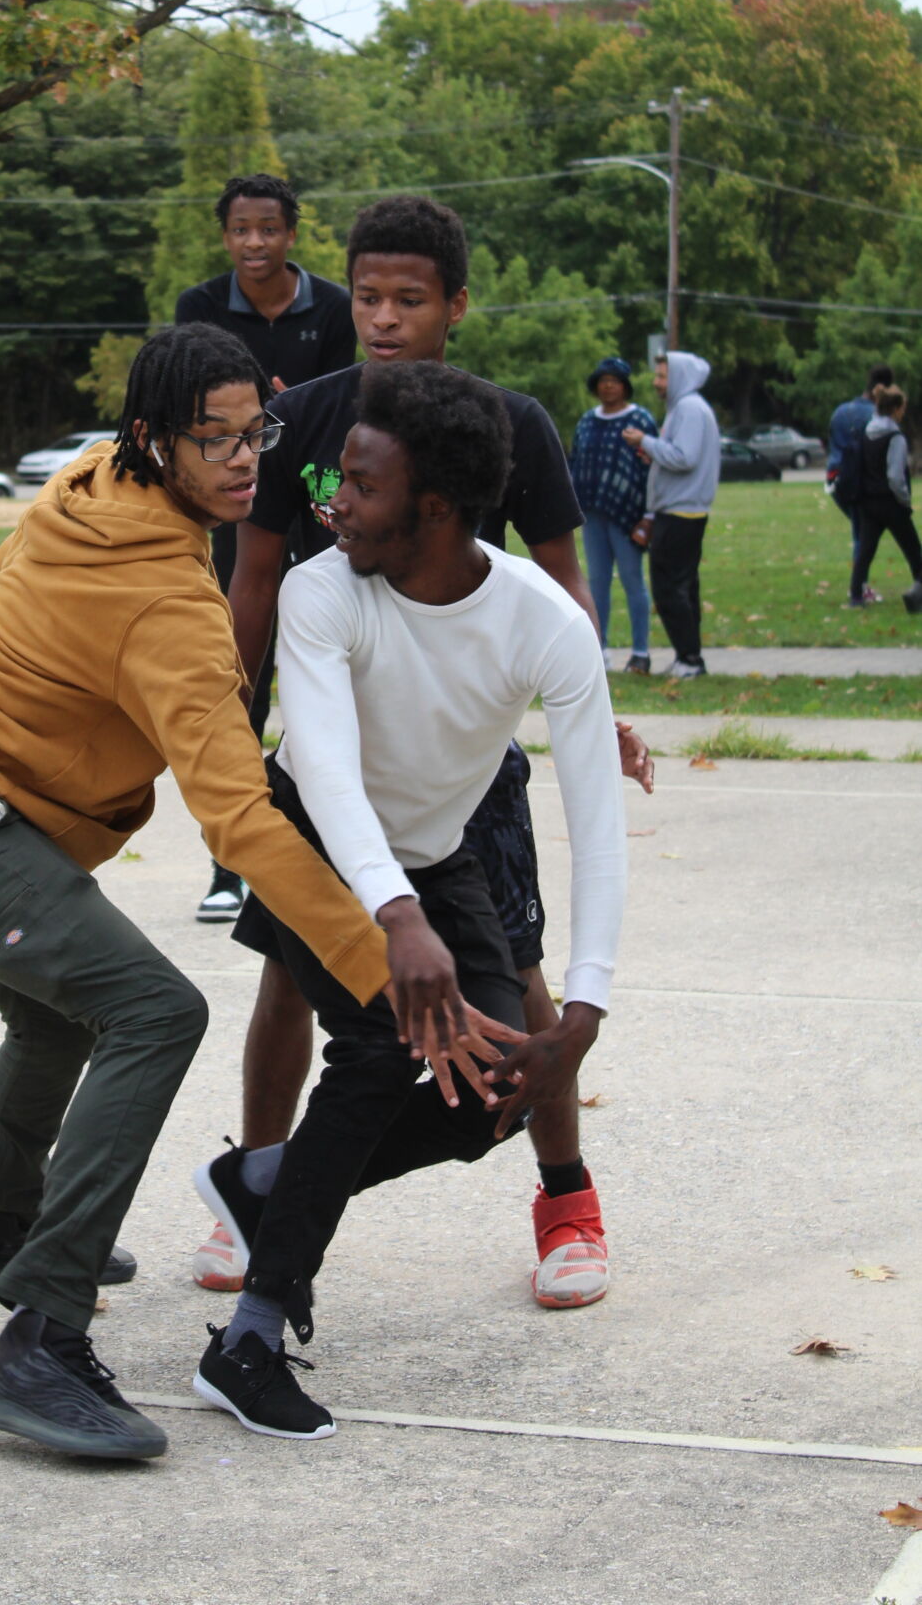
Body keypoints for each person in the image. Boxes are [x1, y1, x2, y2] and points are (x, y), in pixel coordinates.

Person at [0, 323, 487, 1463]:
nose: (245, 459)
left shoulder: (91, 480)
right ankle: (39, 1332)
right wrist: (383, 960)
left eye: (256, 431)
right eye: (214, 439)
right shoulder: (172, 611)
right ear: (154, 438)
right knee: (153, 1009)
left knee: (54, 1011)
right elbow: (241, 821)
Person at [192, 194, 652, 1305]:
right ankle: (256, 1198)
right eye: (371, 297)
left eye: (411, 299)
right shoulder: (303, 416)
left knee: (520, 978)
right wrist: (228, 733)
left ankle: (565, 1198)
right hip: (332, 739)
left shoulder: (508, 422)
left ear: (455, 304)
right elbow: (255, 578)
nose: (385, 319)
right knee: (292, 982)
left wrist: (589, 700)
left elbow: (557, 587)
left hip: (462, 750)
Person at [175, 173, 357, 924]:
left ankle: (333, 848)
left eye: (268, 228)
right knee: (237, 683)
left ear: (291, 233)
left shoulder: (337, 310)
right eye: (241, 229)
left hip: (318, 505)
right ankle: (230, 866)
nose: (255, 242)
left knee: (326, 688)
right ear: (226, 235)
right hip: (239, 503)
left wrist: (288, 408)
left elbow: (349, 403)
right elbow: (189, 400)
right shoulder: (201, 307)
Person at [623, 352, 720, 680]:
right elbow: (678, 458)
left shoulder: (690, 408)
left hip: (680, 513)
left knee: (670, 589)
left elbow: (685, 457)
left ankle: (690, 660)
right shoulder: (686, 408)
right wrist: (655, 454)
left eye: (663, 376)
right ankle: (688, 656)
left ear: (680, 376)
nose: (657, 382)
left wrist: (646, 441)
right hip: (681, 510)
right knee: (683, 587)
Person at [570, 356, 658, 674]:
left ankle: (641, 652)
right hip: (592, 513)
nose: (608, 386)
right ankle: (600, 648)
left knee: (634, 581)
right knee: (597, 582)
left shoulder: (640, 421)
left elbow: (651, 469)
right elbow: (576, 462)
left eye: (614, 381)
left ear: (625, 386)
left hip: (628, 515)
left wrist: (648, 514)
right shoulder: (587, 421)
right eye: (603, 381)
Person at [849, 386, 922, 612]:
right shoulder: (895, 437)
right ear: (896, 409)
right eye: (902, 409)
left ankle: (856, 596)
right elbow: (895, 475)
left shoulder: (867, 432)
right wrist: (905, 500)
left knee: (865, 551)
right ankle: (917, 593)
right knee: (913, 550)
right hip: (890, 502)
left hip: (868, 502)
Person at [828, 364, 894, 603]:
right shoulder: (875, 417)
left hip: (836, 481)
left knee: (864, 532)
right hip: (861, 483)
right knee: (863, 536)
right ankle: (859, 588)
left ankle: (860, 586)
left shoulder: (841, 411)